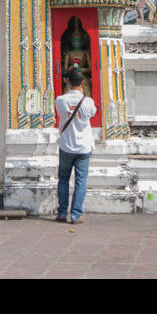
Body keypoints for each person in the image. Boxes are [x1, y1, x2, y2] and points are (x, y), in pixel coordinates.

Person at [54, 67, 97, 225]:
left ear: (67, 81)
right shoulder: (88, 102)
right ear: (83, 82)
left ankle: (62, 213)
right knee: (81, 181)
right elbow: (93, 113)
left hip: (66, 145)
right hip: (84, 146)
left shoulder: (60, 100)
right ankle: (75, 215)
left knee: (63, 180)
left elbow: (61, 113)